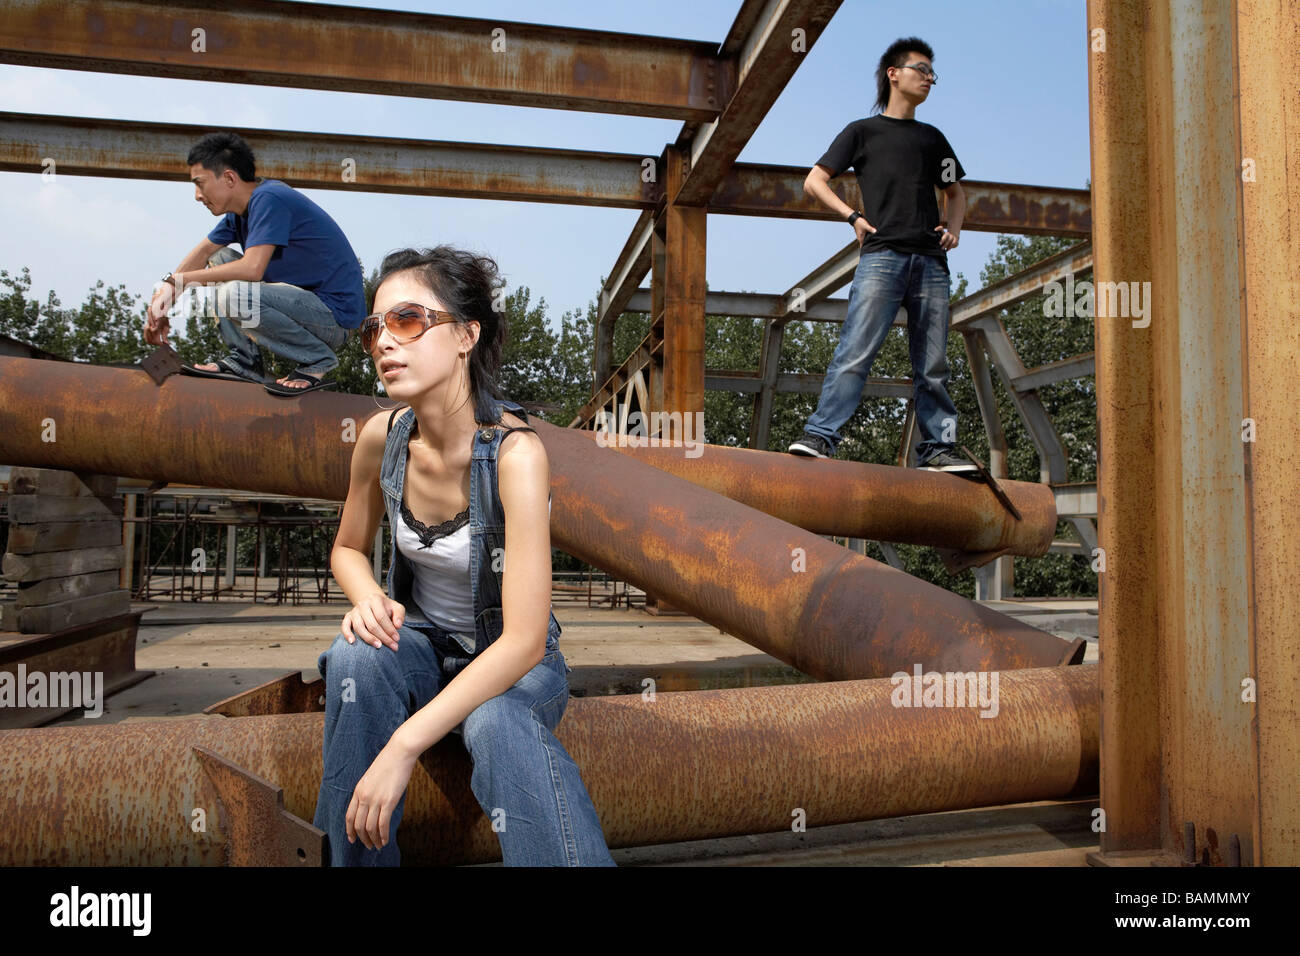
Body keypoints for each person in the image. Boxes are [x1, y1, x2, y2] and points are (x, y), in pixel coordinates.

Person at [312, 245, 615, 866]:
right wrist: (368, 599)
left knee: (495, 722)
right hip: (422, 647)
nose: (382, 342)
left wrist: (401, 748)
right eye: (375, 326)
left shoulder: (515, 456)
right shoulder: (380, 438)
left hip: (512, 660)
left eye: (407, 320)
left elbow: (525, 641)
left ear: (465, 336)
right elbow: (346, 548)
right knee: (354, 659)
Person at [788, 37, 977, 473]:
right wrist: (852, 215)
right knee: (855, 352)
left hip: (931, 263)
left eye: (933, 73)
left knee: (933, 365)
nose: (930, 78)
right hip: (881, 258)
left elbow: (956, 192)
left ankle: (938, 450)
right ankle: (820, 435)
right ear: (894, 73)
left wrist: (954, 228)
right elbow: (814, 181)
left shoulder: (933, 139)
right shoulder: (861, 132)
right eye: (922, 69)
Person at [142, 132, 364, 396]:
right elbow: (203, 252)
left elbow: (252, 269)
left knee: (233, 294)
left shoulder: (270, 198)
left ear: (229, 178)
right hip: (299, 305)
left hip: (333, 318)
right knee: (218, 258)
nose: (197, 195)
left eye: (200, 184)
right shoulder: (240, 215)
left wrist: (180, 282)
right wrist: (165, 298)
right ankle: (244, 361)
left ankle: (317, 359)